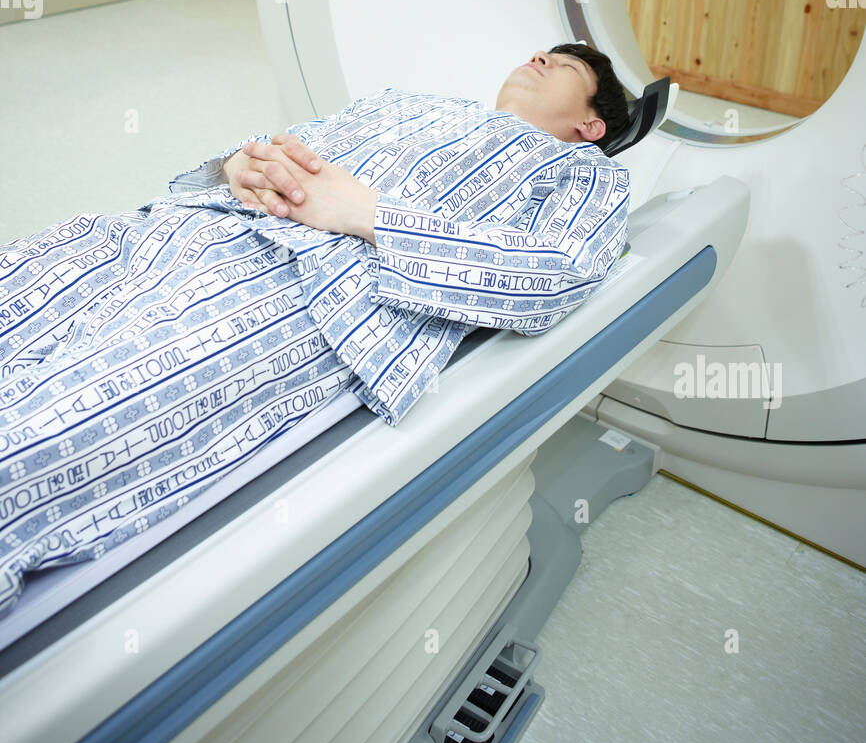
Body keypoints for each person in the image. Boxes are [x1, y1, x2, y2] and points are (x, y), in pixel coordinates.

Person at [0, 43, 630, 618]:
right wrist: (237, 168)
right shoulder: (410, 103)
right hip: (188, 227)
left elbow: (556, 275)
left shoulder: (583, 171)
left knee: (51, 424)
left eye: (565, 67)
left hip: (299, 295)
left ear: (590, 124)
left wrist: (362, 212)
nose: (540, 59)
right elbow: (288, 146)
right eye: (541, 53)